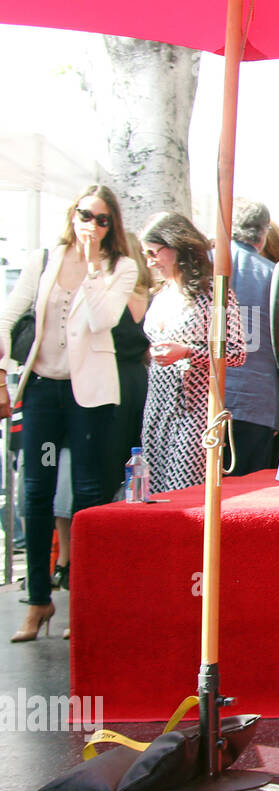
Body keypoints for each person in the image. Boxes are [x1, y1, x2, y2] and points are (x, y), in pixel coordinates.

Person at [0, 185, 138, 643]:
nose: (91, 225)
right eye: (85, 215)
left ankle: (84, 601)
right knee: (36, 492)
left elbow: (103, 320)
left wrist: (94, 265)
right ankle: (38, 600)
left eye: (101, 219)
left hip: (89, 398)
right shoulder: (45, 260)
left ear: (111, 225)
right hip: (44, 391)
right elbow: (9, 316)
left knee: (88, 494)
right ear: (72, 214)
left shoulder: (120, 267)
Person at [138, 212, 246, 494]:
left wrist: (186, 352)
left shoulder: (214, 294)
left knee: (187, 492)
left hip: (194, 408)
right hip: (157, 403)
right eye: (145, 254)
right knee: (155, 492)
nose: (149, 262)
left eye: (153, 253)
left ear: (175, 247)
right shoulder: (160, 294)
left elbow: (237, 353)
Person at [224, 198, 279, 475]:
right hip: (257, 403)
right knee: (247, 488)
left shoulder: (208, 265)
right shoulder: (271, 275)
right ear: (263, 232)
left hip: (206, 401)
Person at [103, 234, 152, 500]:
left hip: (113, 380)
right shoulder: (152, 298)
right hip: (140, 382)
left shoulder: (110, 299)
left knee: (109, 456)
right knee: (135, 451)